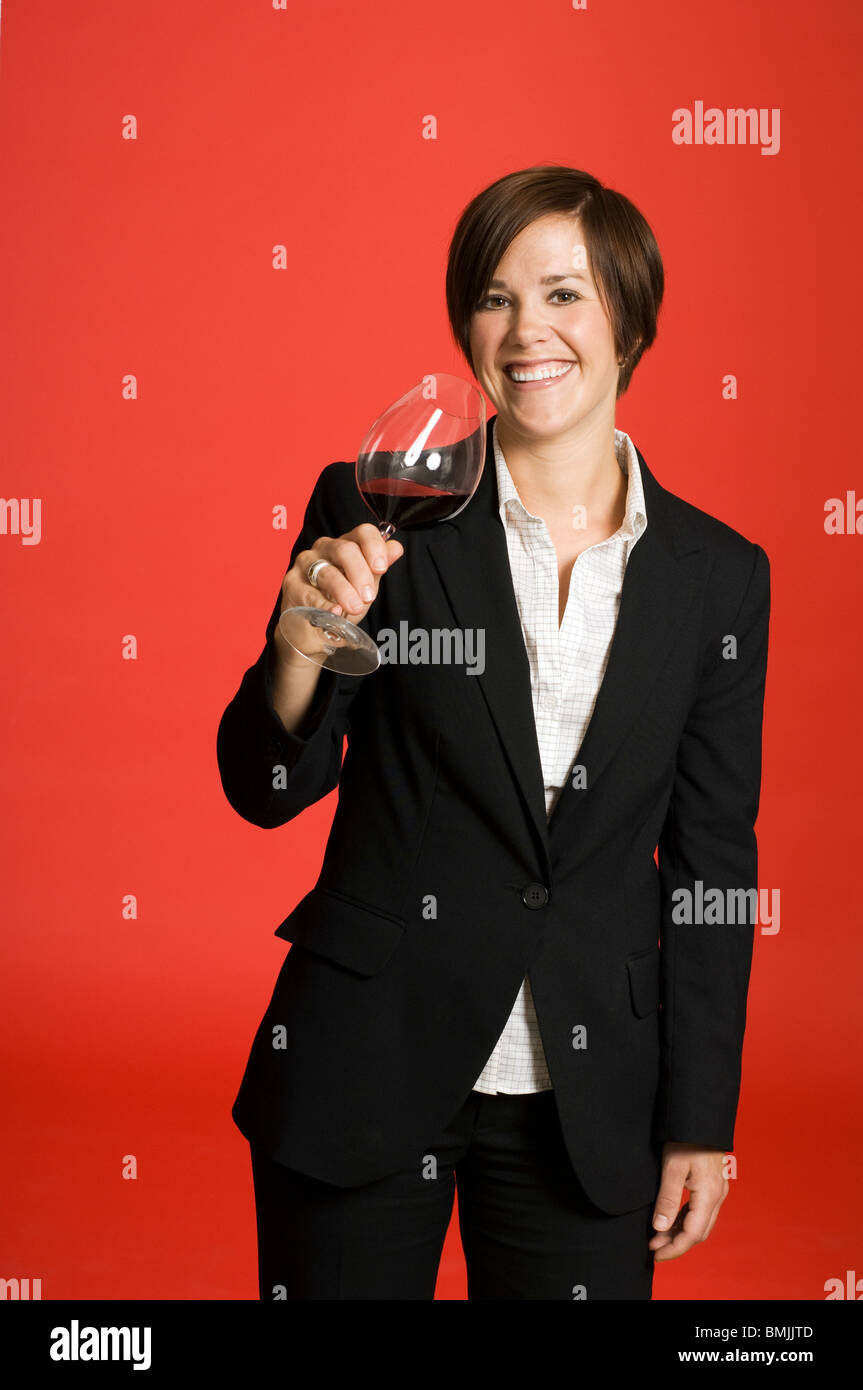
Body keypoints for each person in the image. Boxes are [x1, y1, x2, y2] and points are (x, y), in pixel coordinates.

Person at [216, 164, 770, 1300]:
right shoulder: (378, 508)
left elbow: (711, 861)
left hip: (591, 1099)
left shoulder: (718, 578)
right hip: (365, 1060)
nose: (526, 332)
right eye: (494, 298)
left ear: (629, 314)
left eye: (563, 295)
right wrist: (299, 652)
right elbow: (265, 784)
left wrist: (699, 1118)